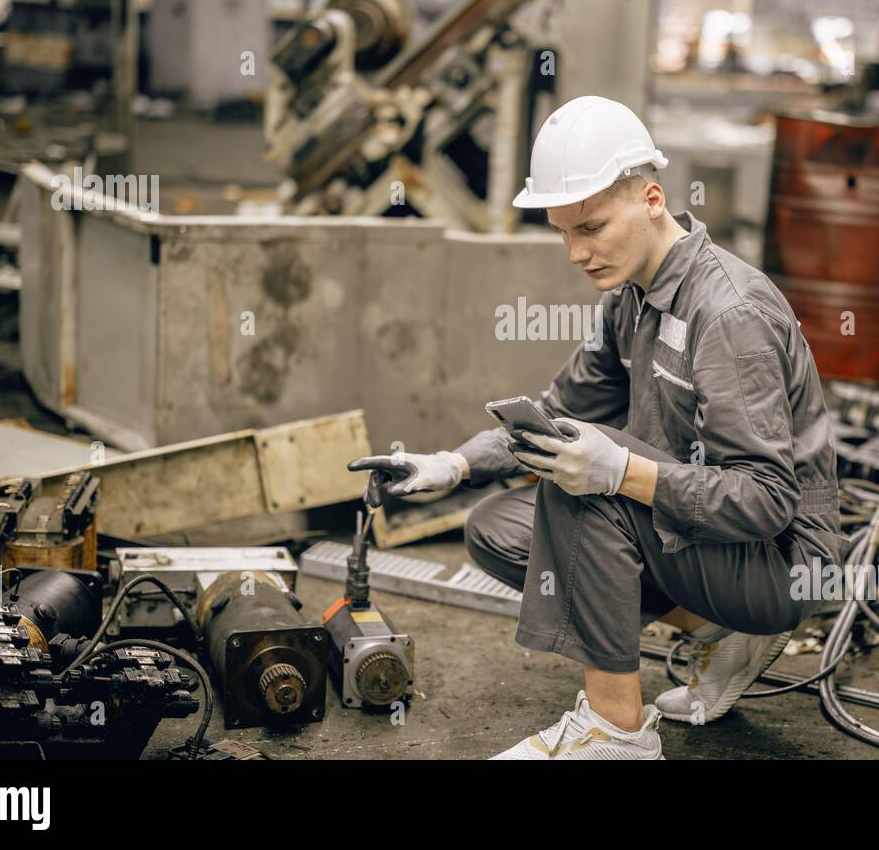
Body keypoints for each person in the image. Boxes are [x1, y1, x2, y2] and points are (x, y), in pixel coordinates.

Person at [350, 95, 844, 759]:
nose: (576, 252)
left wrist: (620, 471)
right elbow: (557, 411)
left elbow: (767, 499)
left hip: (780, 559)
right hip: (698, 527)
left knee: (584, 478)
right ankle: (716, 632)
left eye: (590, 226)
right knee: (495, 530)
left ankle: (617, 730)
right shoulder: (629, 300)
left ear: (651, 197)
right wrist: (451, 464)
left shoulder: (726, 311)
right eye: (562, 231)